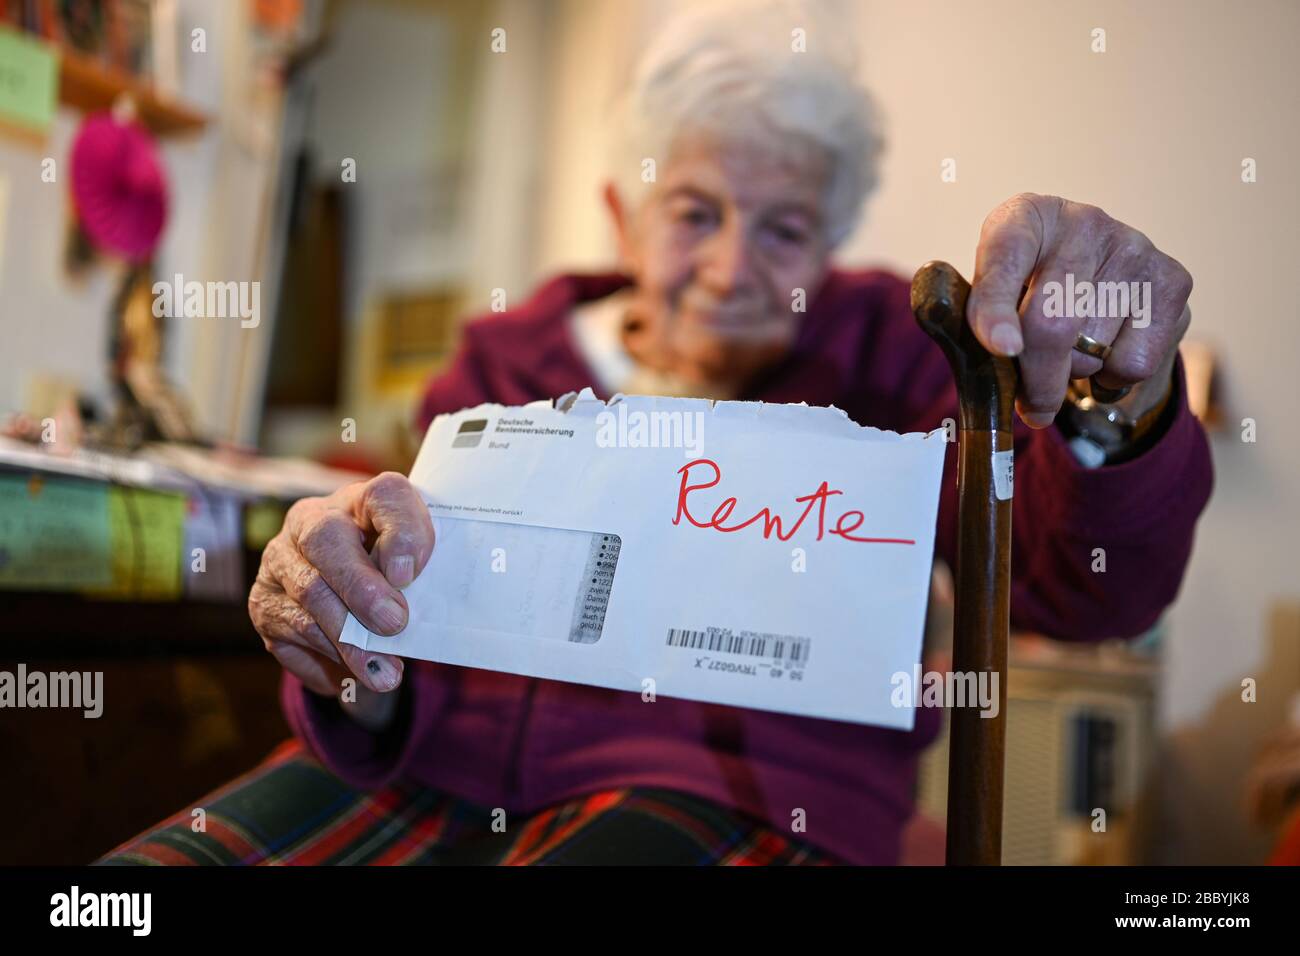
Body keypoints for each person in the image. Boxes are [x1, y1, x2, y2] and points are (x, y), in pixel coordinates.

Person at [220, 2, 1213, 865]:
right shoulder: (499, 367)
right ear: (623, 216)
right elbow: (406, 639)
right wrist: (350, 650)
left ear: (828, 243)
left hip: (737, 796)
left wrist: (1118, 399)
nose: (735, 267)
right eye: (695, 211)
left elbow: (1080, 585)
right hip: (412, 772)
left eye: (783, 228)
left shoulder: (905, 355)